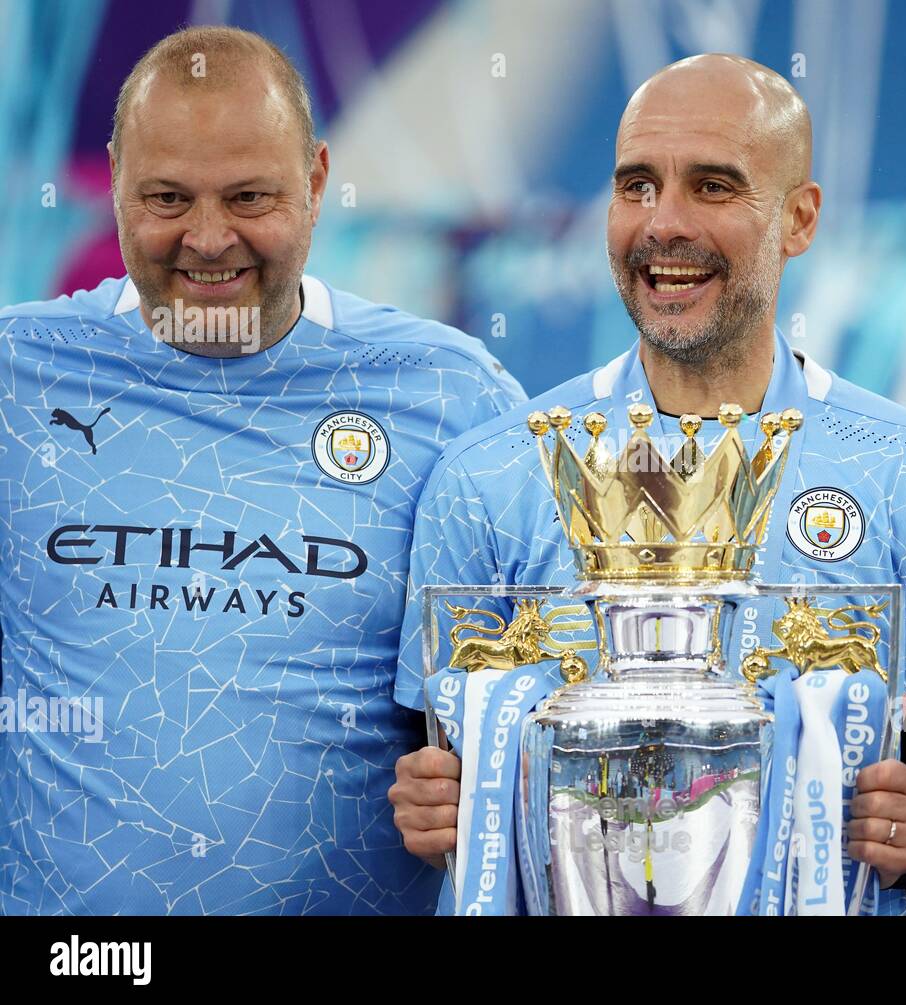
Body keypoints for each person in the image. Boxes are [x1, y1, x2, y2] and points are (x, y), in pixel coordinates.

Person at [389, 53, 906, 914]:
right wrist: (429, 803)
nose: (664, 224)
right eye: (636, 185)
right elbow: (435, 754)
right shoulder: (485, 475)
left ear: (799, 219)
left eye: (714, 186)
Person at [0, 27, 523, 914]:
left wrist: (485, 782)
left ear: (317, 182)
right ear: (115, 179)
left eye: (250, 197)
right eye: (167, 198)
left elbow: (550, 683)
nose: (208, 240)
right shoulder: (17, 376)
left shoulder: (451, 395)